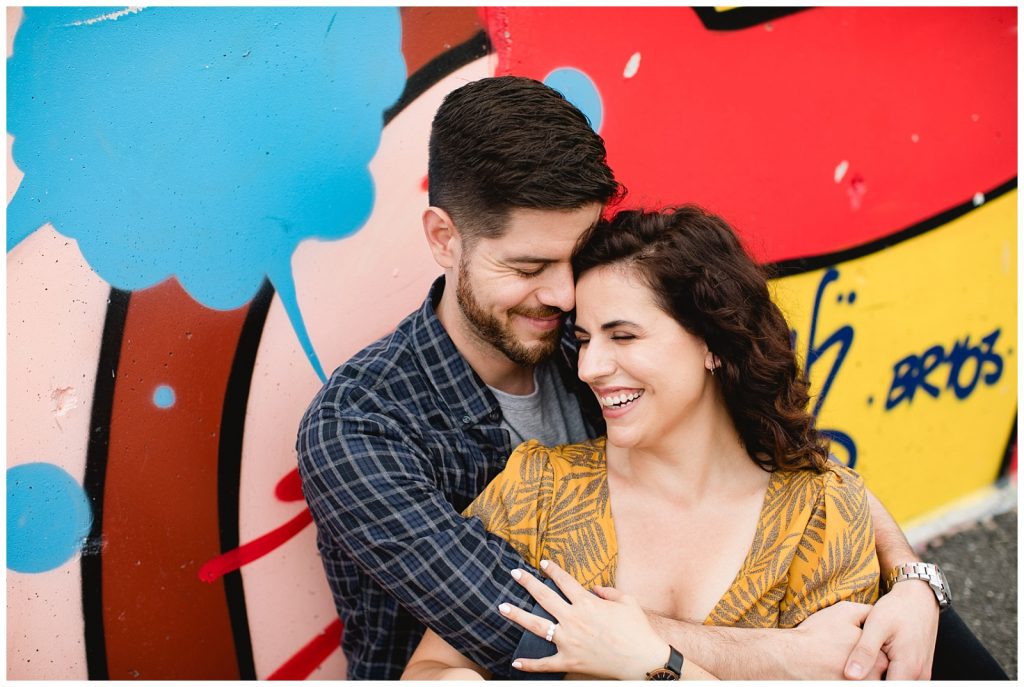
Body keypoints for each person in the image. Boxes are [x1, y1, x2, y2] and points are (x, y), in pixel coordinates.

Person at [296, 75, 977, 681]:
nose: (564, 296)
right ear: (445, 239)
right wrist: (781, 656)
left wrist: (916, 580)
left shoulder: (581, 330)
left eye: (576, 258)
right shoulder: (358, 427)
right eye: (529, 267)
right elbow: (525, 639)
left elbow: (790, 464)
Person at [402, 205, 883, 680]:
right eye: (586, 339)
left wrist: (658, 665)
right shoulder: (540, 489)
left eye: (624, 336)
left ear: (713, 343)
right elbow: (430, 666)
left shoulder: (820, 516)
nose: (589, 367)